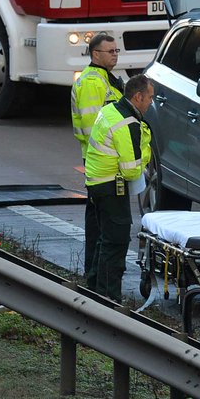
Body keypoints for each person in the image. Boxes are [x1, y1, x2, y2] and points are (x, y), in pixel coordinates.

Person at [83, 74, 154, 302]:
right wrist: (144, 154)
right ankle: (109, 297)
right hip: (112, 186)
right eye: (150, 97)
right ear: (138, 96)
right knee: (116, 242)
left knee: (104, 239)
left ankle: (95, 286)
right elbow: (131, 170)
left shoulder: (112, 109)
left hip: (97, 183)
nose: (152, 102)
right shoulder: (128, 124)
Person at [71, 34, 124, 283]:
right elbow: (95, 129)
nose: (115, 54)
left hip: (101, 164)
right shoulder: (93, 82)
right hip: (100, 165)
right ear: (95, 55)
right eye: (110, 51)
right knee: (101, 225)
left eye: (116, 50)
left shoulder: (104, 79)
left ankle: (94, 276)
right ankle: (95, 278)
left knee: (97, 221)